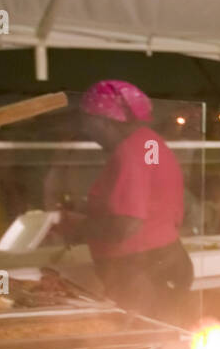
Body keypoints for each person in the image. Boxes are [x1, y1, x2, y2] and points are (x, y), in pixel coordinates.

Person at [58, 80, 195, 324]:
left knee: (141, 344)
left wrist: (75, 227)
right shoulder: (150, 142)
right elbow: (149, 193)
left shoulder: (130, 153)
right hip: (167, 259)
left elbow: (127, 226)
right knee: (164, 338)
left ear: (104, 120)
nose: (86, 130)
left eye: (87, 121)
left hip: (142, 271)